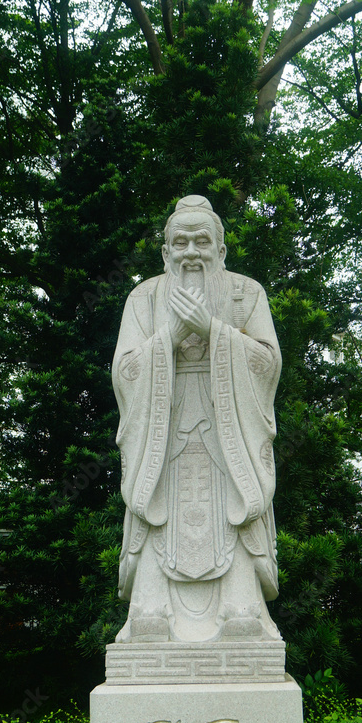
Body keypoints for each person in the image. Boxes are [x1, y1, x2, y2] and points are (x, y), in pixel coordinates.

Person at [112, 195, 282, 643]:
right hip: (162, 431)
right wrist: (169, 335)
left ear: (221, 250)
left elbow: (268, 364)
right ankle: (151, 611)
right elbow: (125, 371)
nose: (191, 252)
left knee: (234, 506)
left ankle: (240, 608)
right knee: (157, 505)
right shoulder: (144, 298)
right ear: (165, 252)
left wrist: (213, 330)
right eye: (180, 242)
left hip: (229, 429)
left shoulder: (247, 294)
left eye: (202, 241)